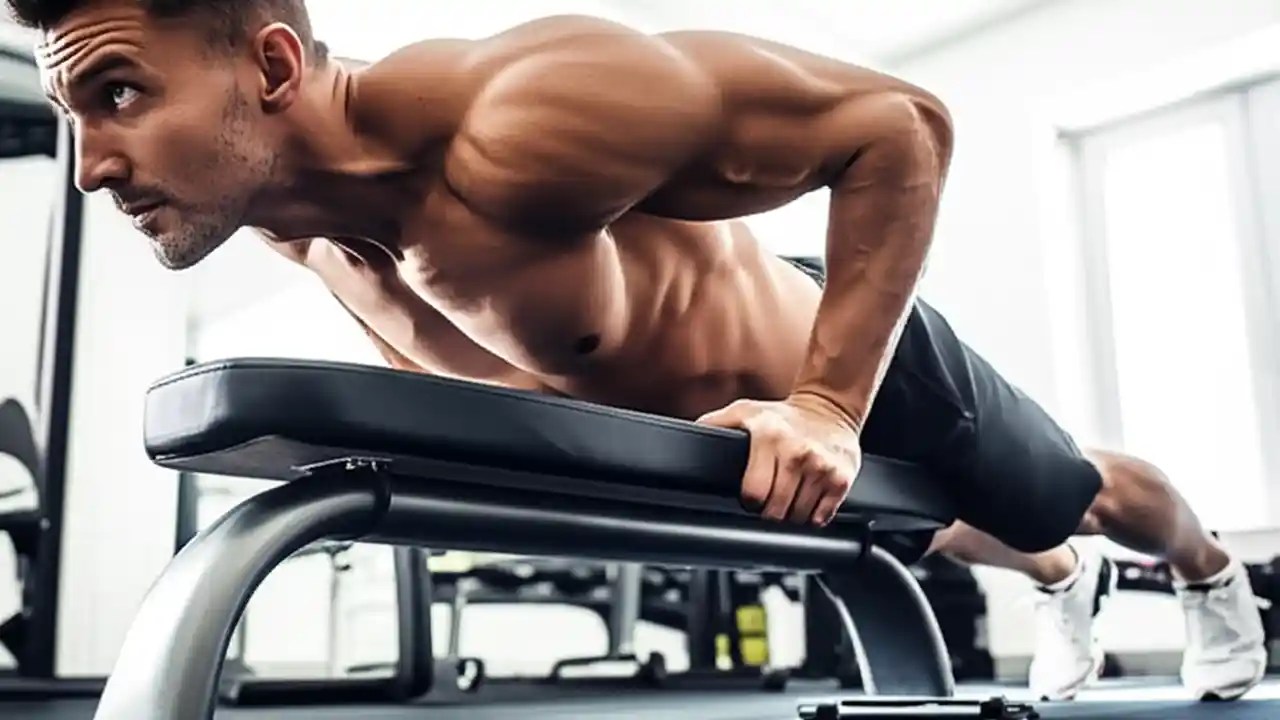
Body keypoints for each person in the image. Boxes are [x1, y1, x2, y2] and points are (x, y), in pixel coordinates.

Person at [10, 0, 1267, 702]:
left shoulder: (525, 114)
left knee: (1073, 494)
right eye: (71, 114)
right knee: (944, 531)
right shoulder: (298, 231)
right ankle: (1059, 586)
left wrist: (829, 404)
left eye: (117, 96)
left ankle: (1208, 575)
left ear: (274, 65)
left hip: (848, 369)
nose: (90, 166)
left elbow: (898, 125)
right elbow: (481, 358)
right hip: (739, 447)